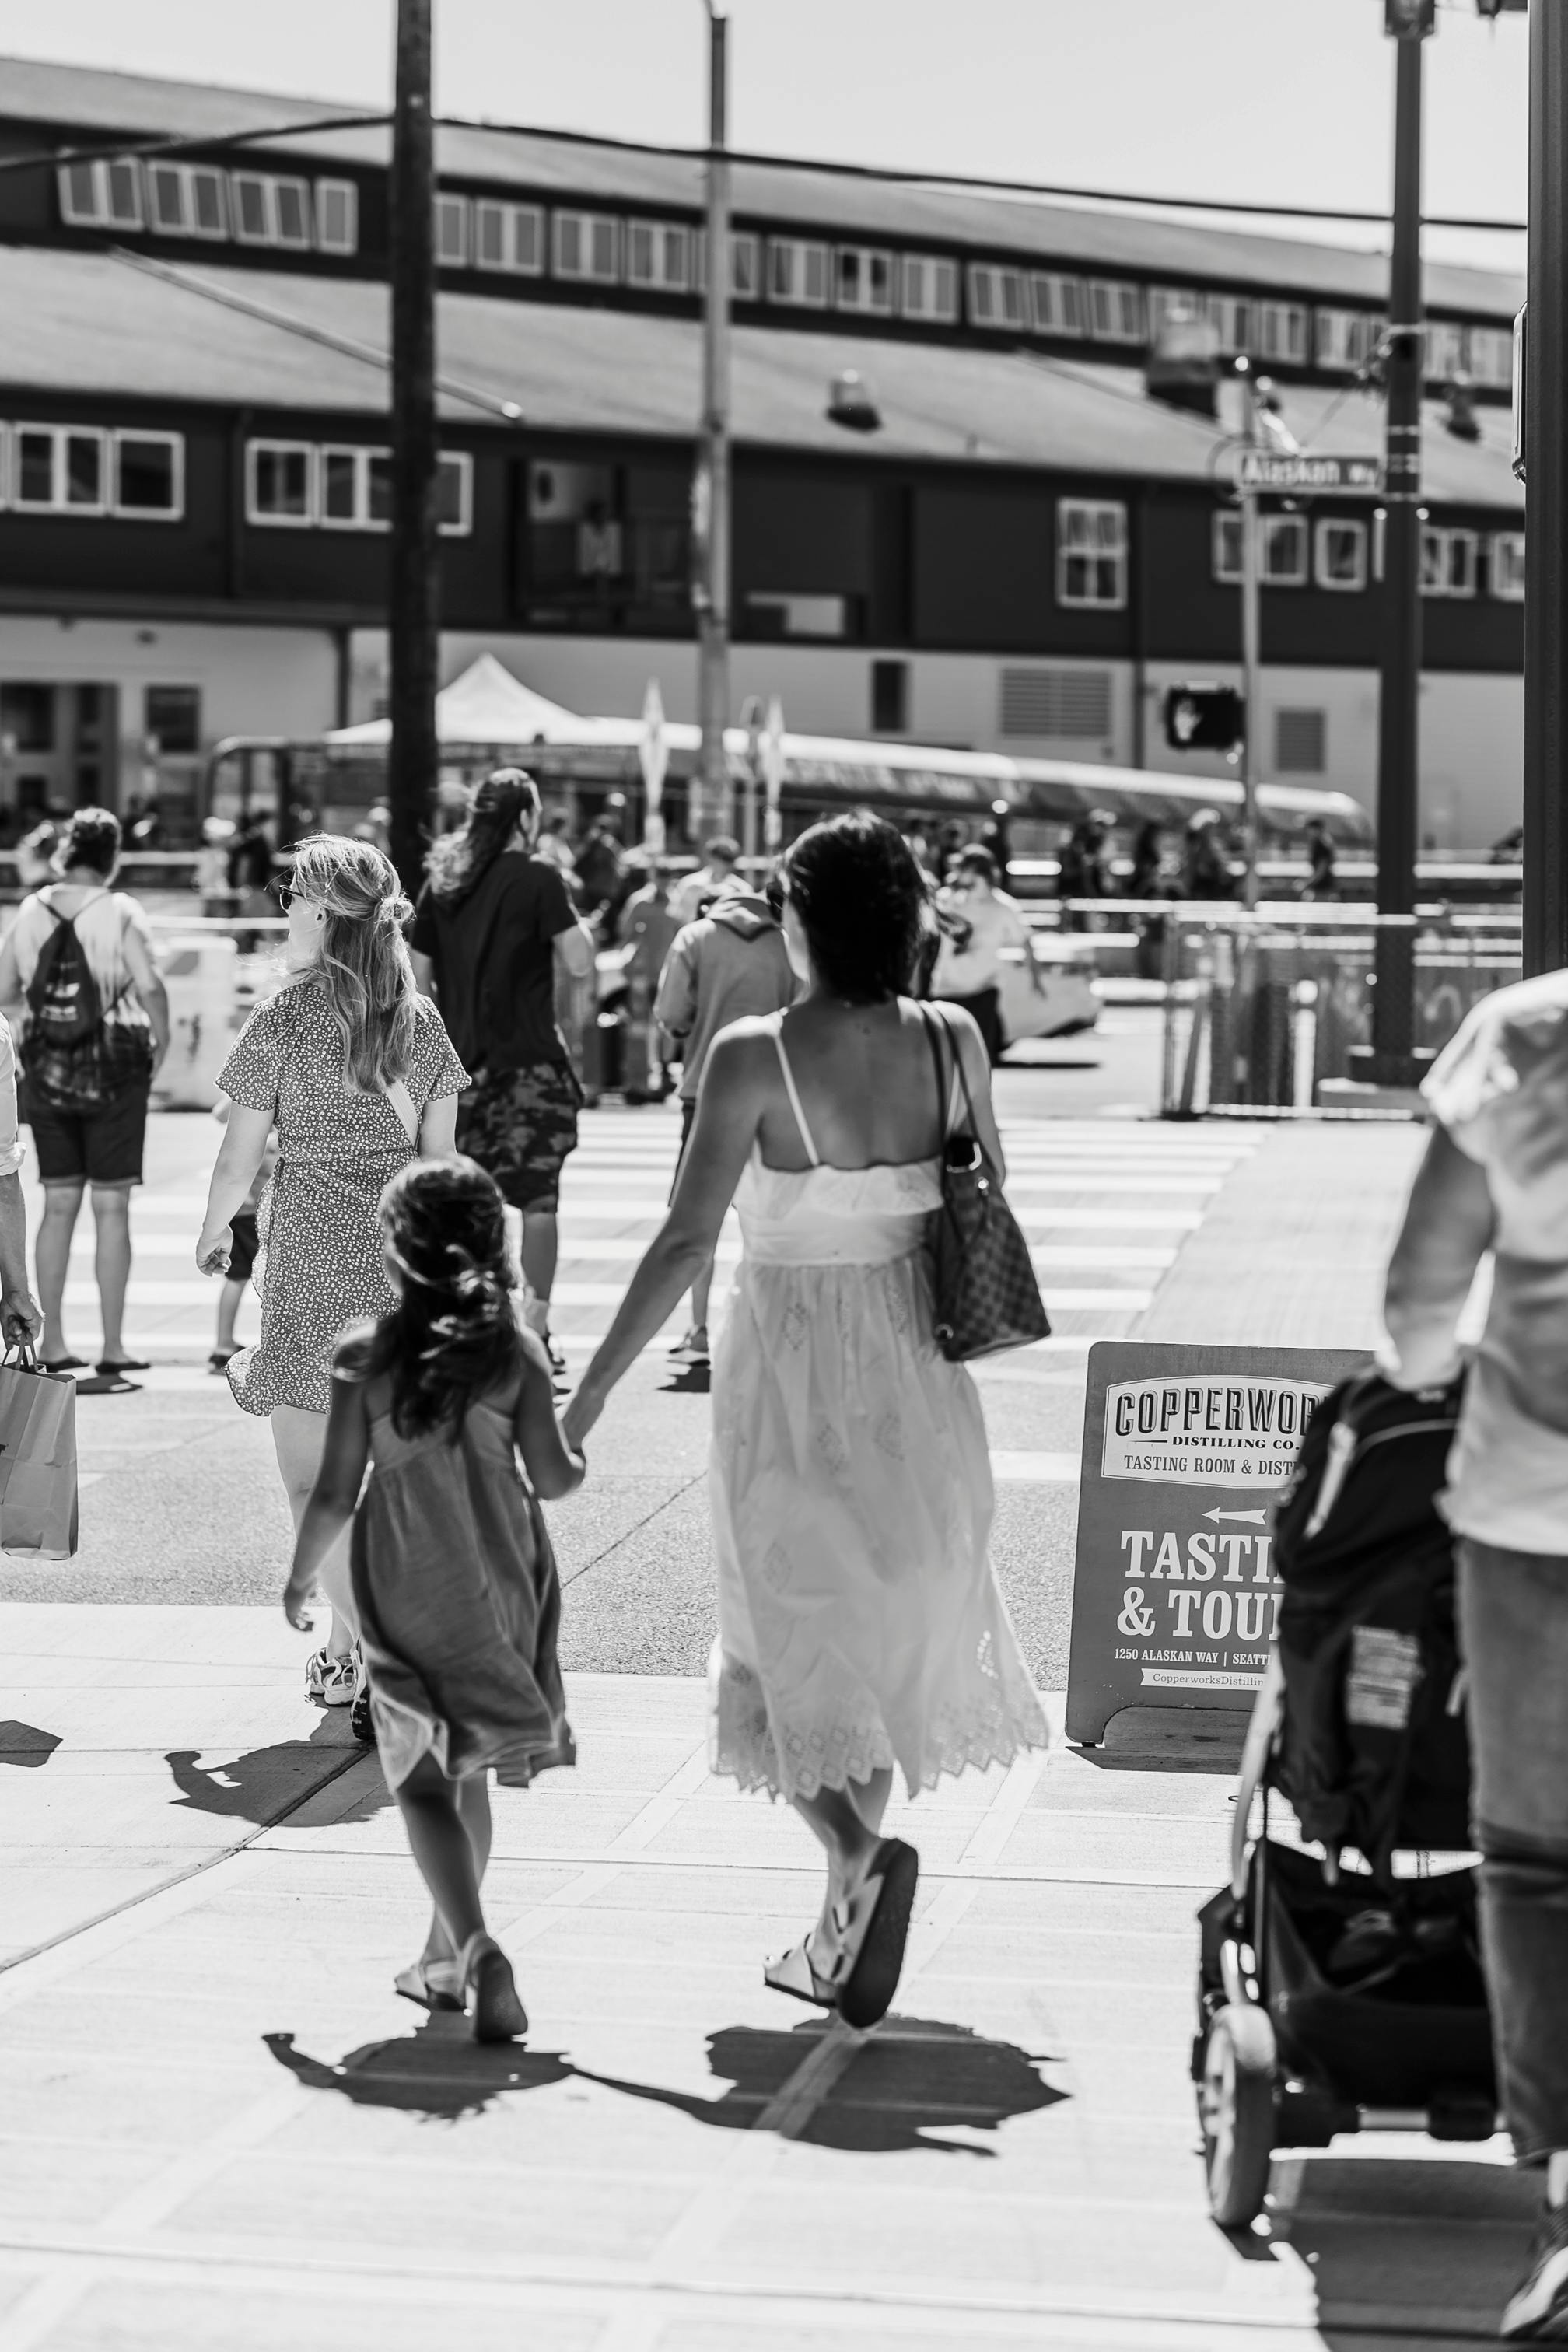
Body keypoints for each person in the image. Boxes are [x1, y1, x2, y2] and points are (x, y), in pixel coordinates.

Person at [565, 813, 1047, 2028]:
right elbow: (980, 1188)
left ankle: (855, 1867)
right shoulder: (952, 1039)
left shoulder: (750, 1054)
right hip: (918, 1373)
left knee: (785, 1645)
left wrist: (592, 1391)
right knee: (876, 1640)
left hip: (785, 1369)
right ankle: (841, 1926)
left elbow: (684, 1239)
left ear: (797, 920)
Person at [285, 1157, 583, 2041]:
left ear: (395, 1251)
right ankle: (446, 1958)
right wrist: (578, 1452)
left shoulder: (366, 1356)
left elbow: (335, 1493)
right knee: (472, 1766)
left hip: (409, 1584)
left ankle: (477, 1947)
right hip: (505, 1583)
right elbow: (557, 1479)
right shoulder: (515, 1352)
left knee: (418, 1785)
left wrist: (301, 1577)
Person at [1383, 973, 1568, 2340]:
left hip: (1534, 1508)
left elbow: (1421, 1289)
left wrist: (1425, 1364)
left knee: (1537, 1857)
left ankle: (1564, 2206)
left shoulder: (1525, 1036)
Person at [195, 835, 467, 1715]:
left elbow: (239, 1155)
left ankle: (356, 1650)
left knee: (314, 1488)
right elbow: (440, 1161)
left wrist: (213, 1232)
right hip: (399, 1269)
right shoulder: (419, 1023)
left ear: (321, 912)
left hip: (309, 1263)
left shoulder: (281, 1018)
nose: (283, 912)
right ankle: (364, 1651)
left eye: (292, 898)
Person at [408, 769, 596, 1378]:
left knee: (466, 1204)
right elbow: (580, 959)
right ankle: (534, 1330)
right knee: (538, 1201)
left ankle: (472, 1322)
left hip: (459, 1073)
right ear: (524, 818)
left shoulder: (444, 881)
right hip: (530, 1065)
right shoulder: (539, 877)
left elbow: (418, 977)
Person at [0, 808, 170, 1381]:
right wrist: (160, 1044)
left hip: (45, 1072)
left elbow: (5, 991)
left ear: (67, 851)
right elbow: (149, 984)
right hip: (116, 1071)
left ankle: (52, 1343)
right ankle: (115, 1347)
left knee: (58, 1202)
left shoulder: (30, 910)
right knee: (111, 1204)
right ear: (113, 856)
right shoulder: (121, 910)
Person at [653, 867, 795, 1370]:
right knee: (772, 1211)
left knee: (698, 1218)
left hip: (705, 1089)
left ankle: (699, 1327)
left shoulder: (694, 937)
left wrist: (695, 1019)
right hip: (783, 1089)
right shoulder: (786, 941)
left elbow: (671, 1015)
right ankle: (769, 1322)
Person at [930, 845, 1034, 1067]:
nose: (957, 874)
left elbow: (1025, 941)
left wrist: (1035, 978)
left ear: (978, 873)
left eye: (963, 869)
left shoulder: (1002, 907)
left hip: (982, 991)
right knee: (945, 1062)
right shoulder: (946, 900)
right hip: (945, 989)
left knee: (977, 1061)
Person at [208, 1101, 276, 1374]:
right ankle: (231, 1343)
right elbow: (221, 1113)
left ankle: (223, 1342)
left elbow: (221, 1113)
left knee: (235, 1277)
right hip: (257, 1211)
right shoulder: (274, 1137)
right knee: (264, 1278)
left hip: (237, 1208)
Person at [617, 859, 684, 1098]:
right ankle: (638, 1080)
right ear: (652, 877)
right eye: (660, 875)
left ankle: (664, 1073)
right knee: (640, 1027)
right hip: (643, 974)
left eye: (667, 875)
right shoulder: (639, 903)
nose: (663, 881)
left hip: (669, 971)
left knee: (667, 1023)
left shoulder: (677, 904)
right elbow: (625, 934)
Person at [670, 835, 740, 926]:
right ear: (712, 857)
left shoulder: (741, 888)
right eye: (725, 858)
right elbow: (677, 919)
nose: (729, 864)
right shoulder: (690, 884)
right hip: (695, 936)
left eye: (732, 859)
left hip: (726, 938)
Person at [1182, 809, 1236, 901]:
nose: (1213, 830)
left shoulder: (1215, 845)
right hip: (1202, 887)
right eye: (1210, 827)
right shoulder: (1196, 847)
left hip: (1214, 886)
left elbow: (1223, 865)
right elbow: (1195, 869)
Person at [1301, 817, 1339, 902]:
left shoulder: (1321, 845)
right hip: (1324, 887)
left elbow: (1321, 870)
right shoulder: (1321, 843)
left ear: (1316, 829)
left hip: (1323, 890)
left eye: (1309, 828)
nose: (1307, 831)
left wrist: (1307, 883)